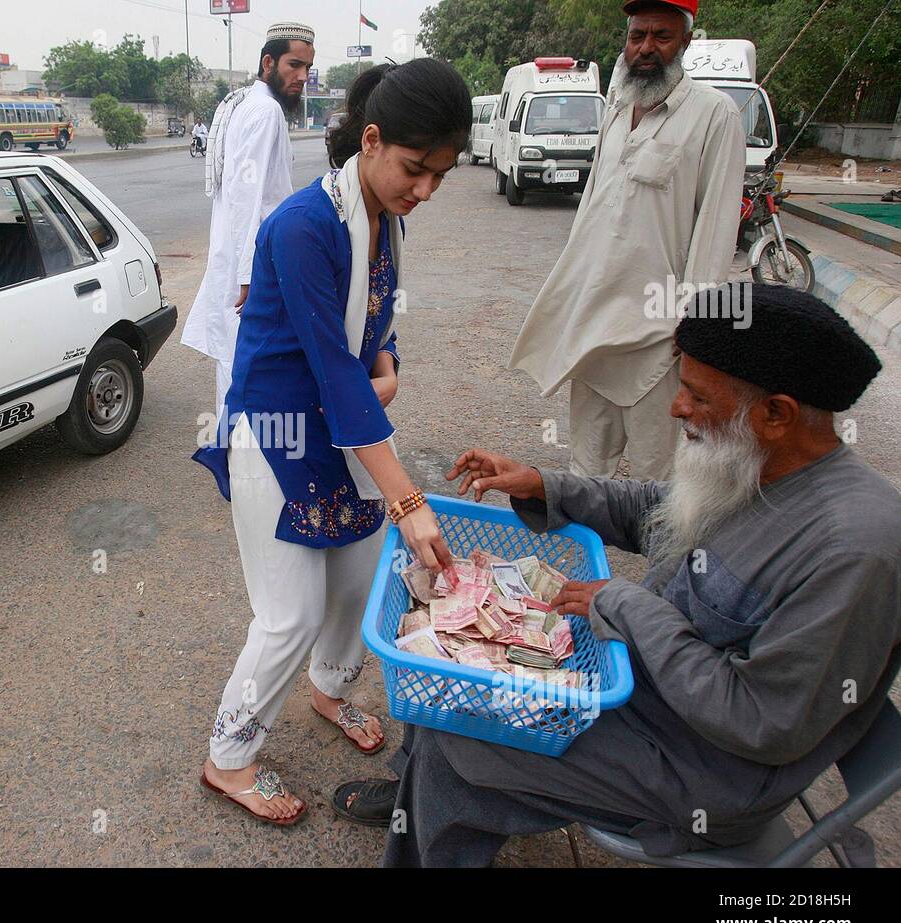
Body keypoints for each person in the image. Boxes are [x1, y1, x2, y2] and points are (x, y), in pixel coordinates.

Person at [333, 283, 900, 867]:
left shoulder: (855, 550)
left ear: (776, 414)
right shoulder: (760, 461)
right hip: (637, 678)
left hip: (701, 765)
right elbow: (655, 508)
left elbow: (760, 723)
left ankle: (426, 820)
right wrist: (544, 484)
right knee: (449, 674)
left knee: (459, 731)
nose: (678, 409)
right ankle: (416, 799)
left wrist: (627, 606)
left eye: (698, 398)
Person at [193, 59, 472, 825]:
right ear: (372, 140)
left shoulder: (384, 217)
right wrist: (408, 498)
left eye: (441, 176)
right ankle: (230, 757)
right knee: (289, 613)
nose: (425, 190)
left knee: (354, 583)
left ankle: (330, 690)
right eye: (417, 169)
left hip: (342, 433)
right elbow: (328, 363)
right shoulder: (303, 225)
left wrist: (387, 364)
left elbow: (373, 330)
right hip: (278, 434)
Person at [508, 0, 746, 481]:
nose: (645, 48)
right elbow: (591, 217)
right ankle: (587, 557)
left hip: (658, 335)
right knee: (585, 471)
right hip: (595, 329)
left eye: (660, 36)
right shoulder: (617, 110)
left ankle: (666, 560)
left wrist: (696, 327)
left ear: (685, 42)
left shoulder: (714, 115)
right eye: (637, 35)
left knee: (660, 479)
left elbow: (717, 230)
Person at [182, 22, 314, 416]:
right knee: (248, 369)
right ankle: (239, 464)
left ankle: (235, 460)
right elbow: (246, 198)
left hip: (243, 260)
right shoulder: (265, 111)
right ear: (268, 62)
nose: (302, 77)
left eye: (307, 67)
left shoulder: (246, 104)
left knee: (235, 365)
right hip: (253, 268)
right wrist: (248, 276)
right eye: (294, 65)